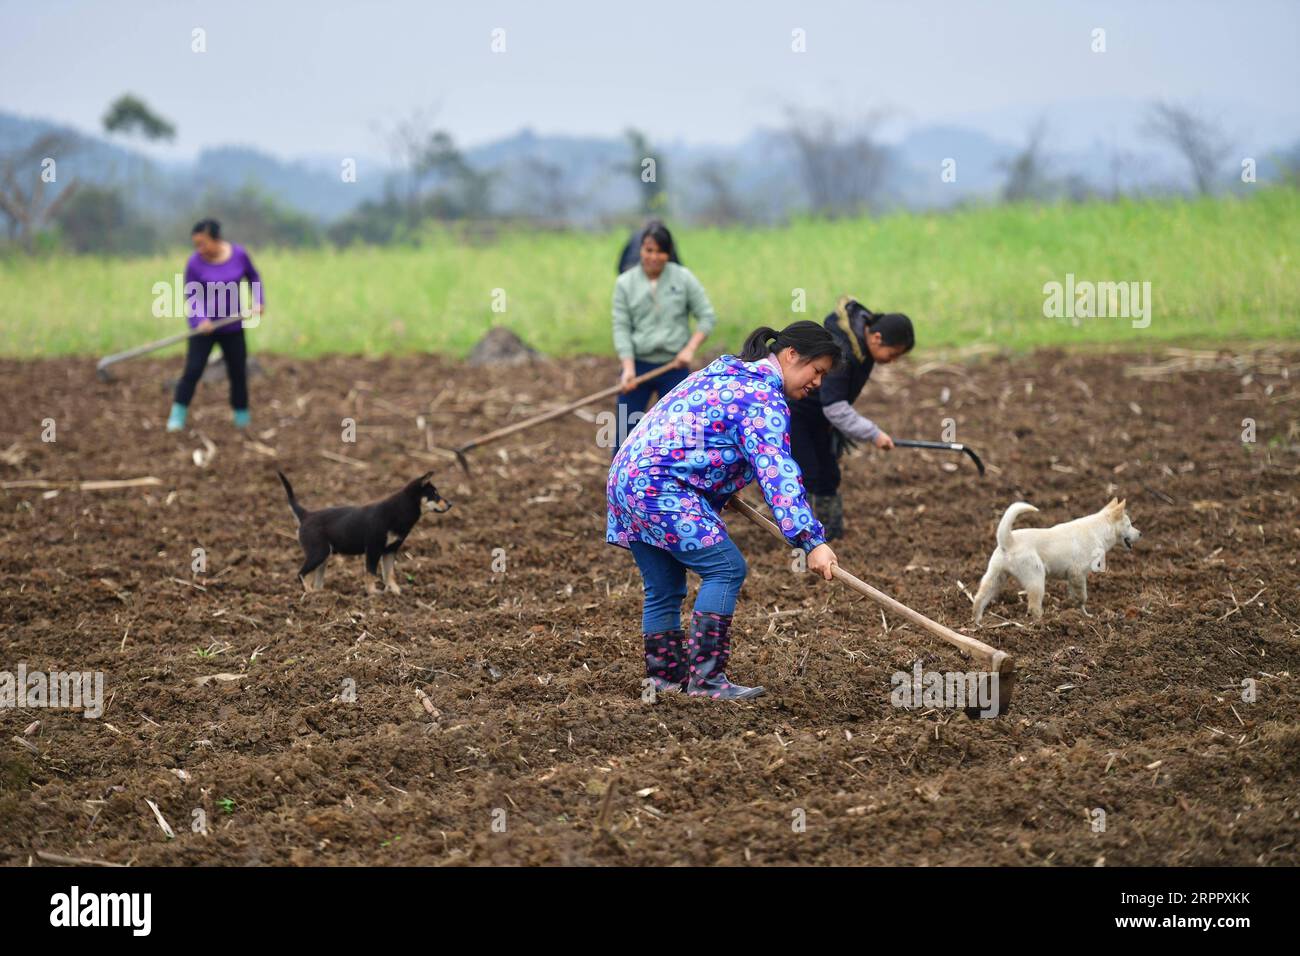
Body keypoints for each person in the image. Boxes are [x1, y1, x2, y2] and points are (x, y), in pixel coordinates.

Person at [606, 320, 842, 701]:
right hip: (660, 486)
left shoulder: (726, 371)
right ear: (791, 355)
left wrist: (716, 484)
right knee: (727, 567)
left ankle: (665, 682)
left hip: (626, 478)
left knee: (664, 587)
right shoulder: (762, 398)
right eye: (817, 371)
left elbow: (691, 430)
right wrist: (811, 540)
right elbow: (776, 471)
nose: (817, 383)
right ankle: (707, 681)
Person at [789, 296, 914, 540]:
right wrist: (873, 434)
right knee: (807, 474)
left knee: (829, 475)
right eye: (893, 353)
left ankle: (830, 534)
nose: (893, 360)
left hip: (819, 418)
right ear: (877, 338)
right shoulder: (845, 352)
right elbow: (835, 407)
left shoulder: (862, 340)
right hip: (798, 414)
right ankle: (804, 535)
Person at [611, 222, 715, 452]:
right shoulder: (625, 283)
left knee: (680, 434)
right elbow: (621, 327)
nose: (654, 257)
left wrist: (689, 349)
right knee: (623, 435)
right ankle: (618, 483)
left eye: (660, 251)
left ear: (668, 254)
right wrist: (627, 368)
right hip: (638, 368)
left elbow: (707, 317)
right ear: (641, 251)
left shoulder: (684, 278)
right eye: (649, 250)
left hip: (673, 367)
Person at [166, 219, 264, 432]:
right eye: (196, 245)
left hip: (232, 327)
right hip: (204, 330)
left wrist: (258, 300)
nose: (199, 249)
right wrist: (200, 320)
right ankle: (177, 416)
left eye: (203, 243)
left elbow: (254, 277)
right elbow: (191, 295)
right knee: (192, 371)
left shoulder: (239, 255)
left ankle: (242, 418)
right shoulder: (194, 263)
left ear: (216, 239)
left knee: (238, 372)